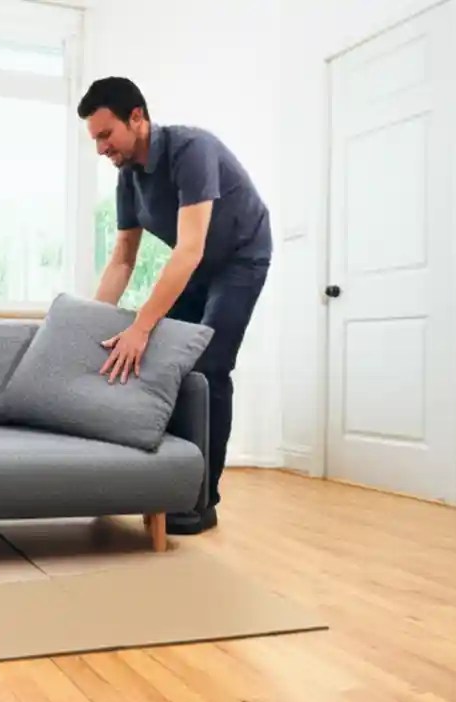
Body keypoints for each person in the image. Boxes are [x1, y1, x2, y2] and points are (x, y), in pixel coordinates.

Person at [78, 77, 271, 534]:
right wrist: (86, 325)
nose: (101, 148)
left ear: (137, 118)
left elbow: (189, 248)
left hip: (240, 258)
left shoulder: (192, 150)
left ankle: (202, 499)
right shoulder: (128, 176)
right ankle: (168, 483)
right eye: (95, 139)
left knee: (209, 366)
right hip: (199, 264)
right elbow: (123, 259)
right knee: (167, 363)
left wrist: (141, 326)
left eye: (106, 135)